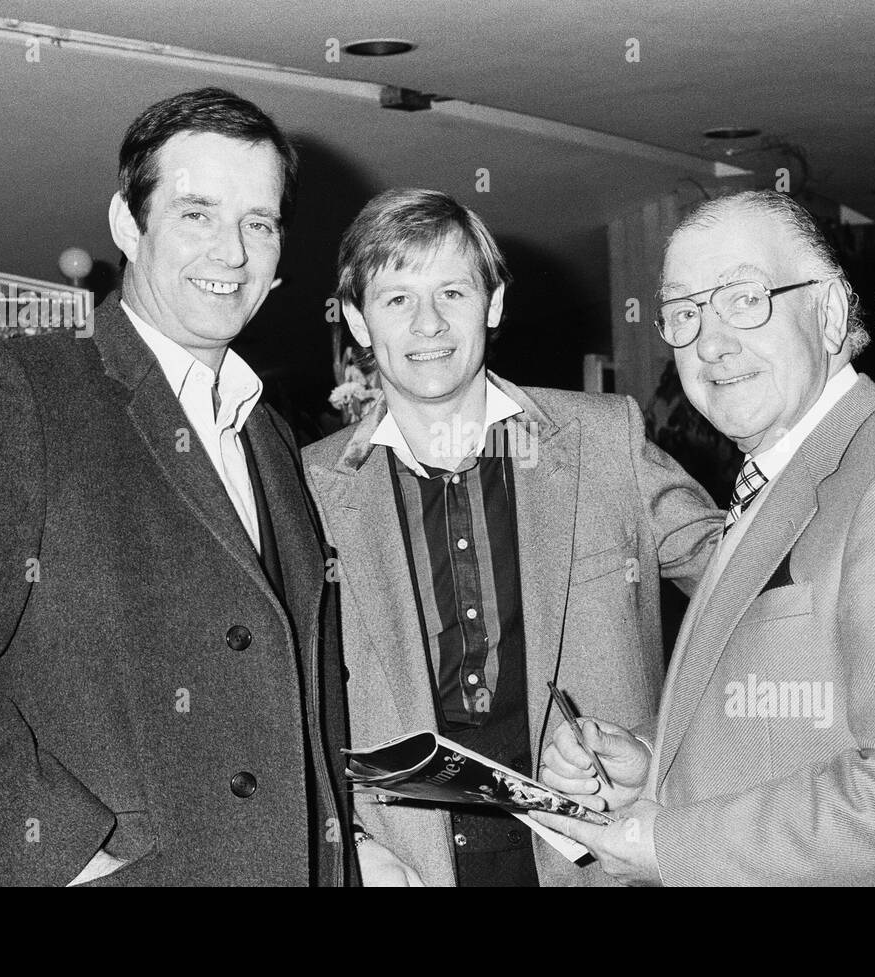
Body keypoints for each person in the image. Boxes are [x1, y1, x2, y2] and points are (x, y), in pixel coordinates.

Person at [0, 88, 352, 886]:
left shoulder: (269, 433)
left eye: (260, 221)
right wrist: (70, 854)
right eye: (197, 213)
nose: (233, 253)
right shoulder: (25, 389)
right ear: (126, 224)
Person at [535, 189, 875, 886]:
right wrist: (656, 767)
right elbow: (800, 721)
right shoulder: (790, 470)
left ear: (827, 314)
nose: (709, 341)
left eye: (742, 298)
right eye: (683, 313)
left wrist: (674, 842)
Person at [303, 189, 723, 886]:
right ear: (357, 318)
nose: (428, 323)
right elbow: (271, 695)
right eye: (397, 298)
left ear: (492, 304)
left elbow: (751, 591)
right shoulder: (310, 485)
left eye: (452, 291)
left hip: (598, 865)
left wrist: (663, 753)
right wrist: (346, 844)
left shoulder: (602, 440)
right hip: (402, 869)